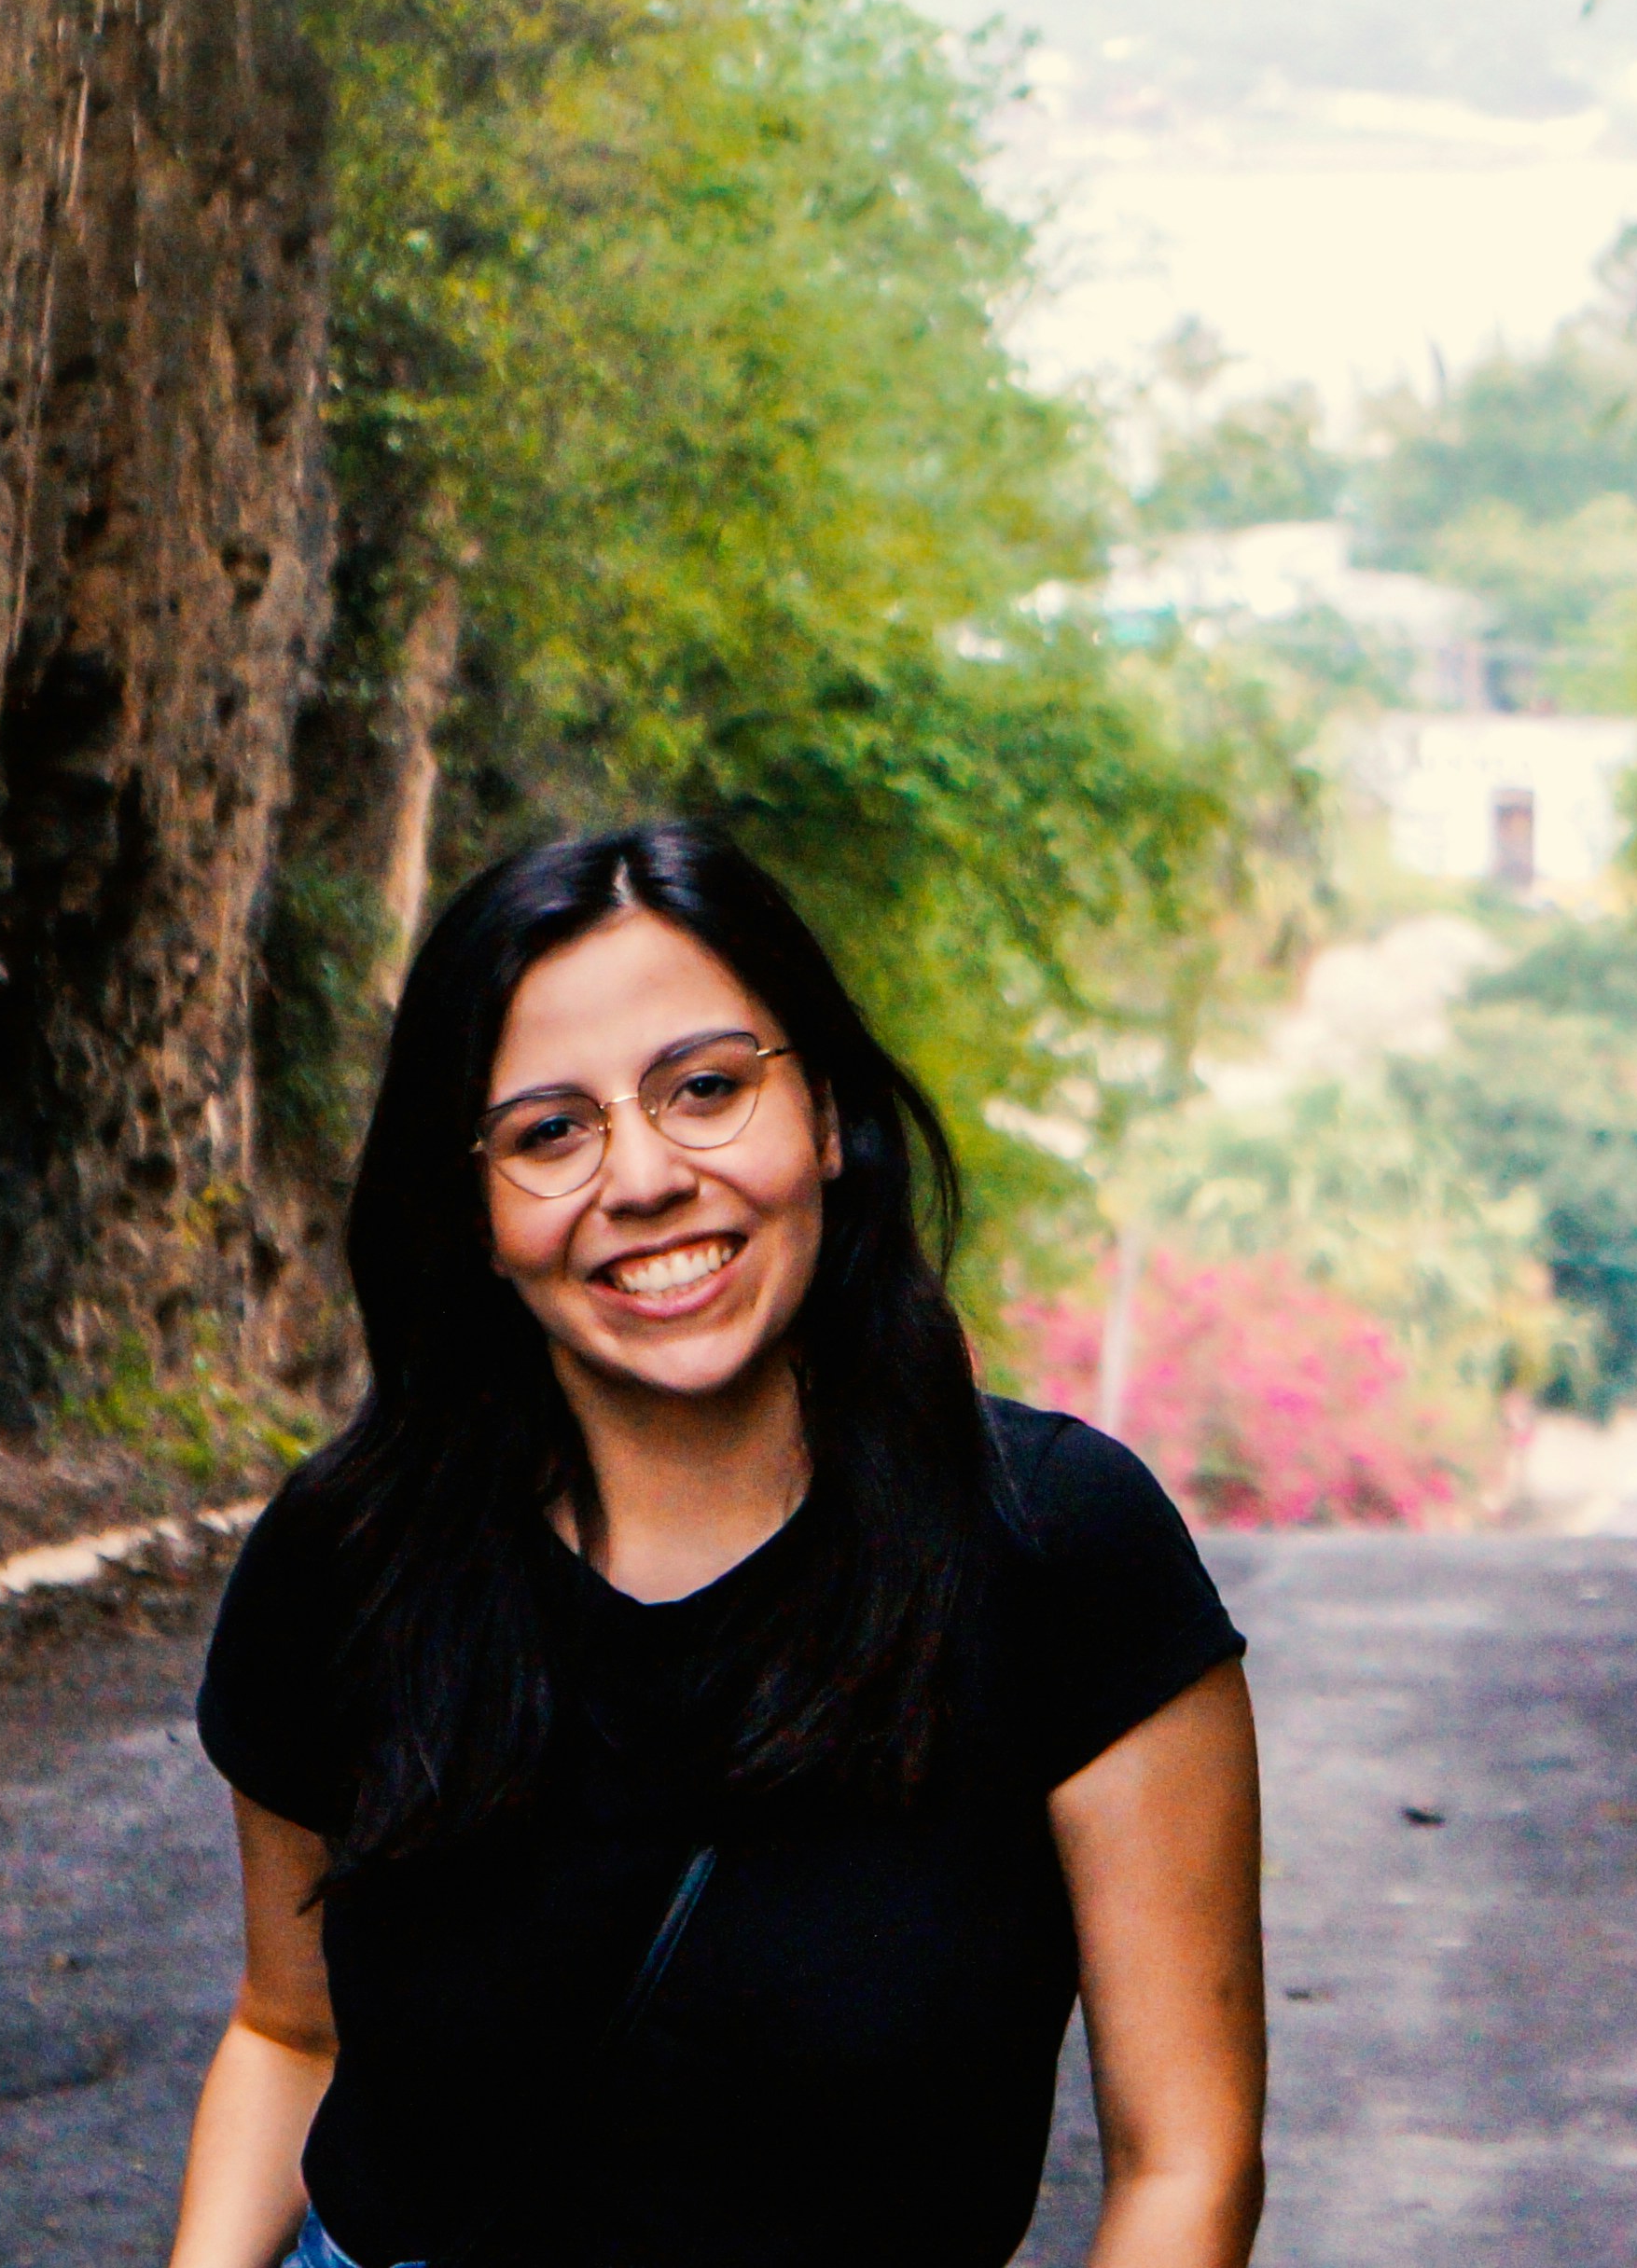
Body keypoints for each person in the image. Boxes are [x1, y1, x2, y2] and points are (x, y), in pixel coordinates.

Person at [162, 820, 1265, 2268]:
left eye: (704, 1089)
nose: (643, 1178)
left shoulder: (1055, 1549)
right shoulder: (356, 1554)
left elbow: (1186, 2163)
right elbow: (286, 2028)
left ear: (824, 1120)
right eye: (551, 1130)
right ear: (478, 1210)